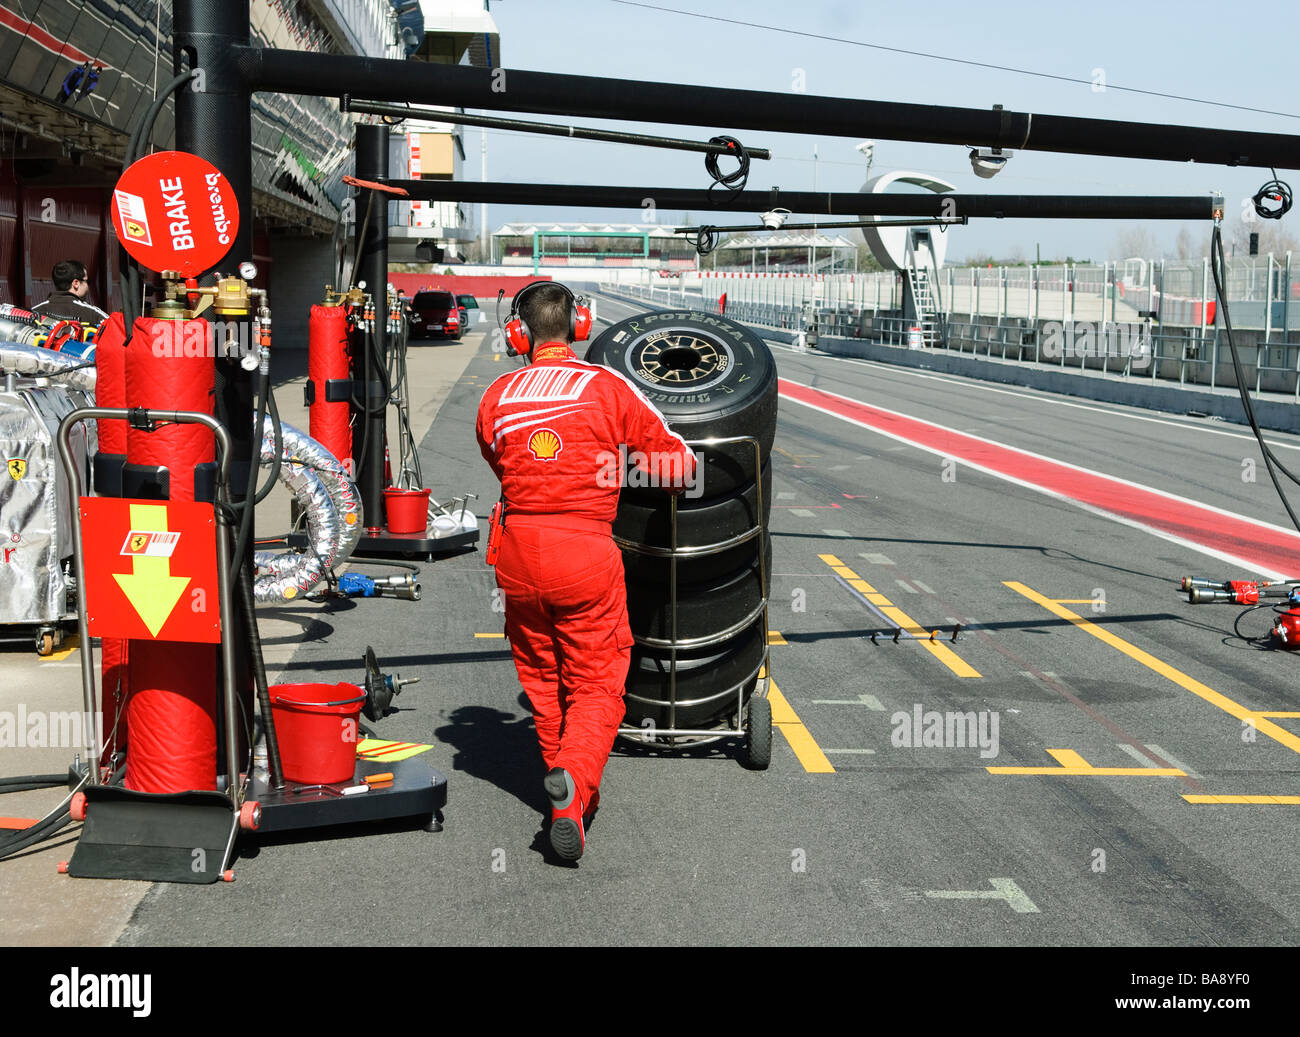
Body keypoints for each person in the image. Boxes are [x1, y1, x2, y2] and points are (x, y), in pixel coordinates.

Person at [475, 282, 696, 861]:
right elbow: (677, 465)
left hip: (517, 554)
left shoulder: (496, 395)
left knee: (544, 682)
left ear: (517, 335)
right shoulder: (606, 386)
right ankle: (573, 783)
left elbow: (499, 459)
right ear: (581, 325)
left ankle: (566, 795)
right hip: (584, 552)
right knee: (597, 683)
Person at [31, 260, 109, 323]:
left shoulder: (33, 312)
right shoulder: (94, 314)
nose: (88, 286)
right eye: (88, 281)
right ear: (76, 283)